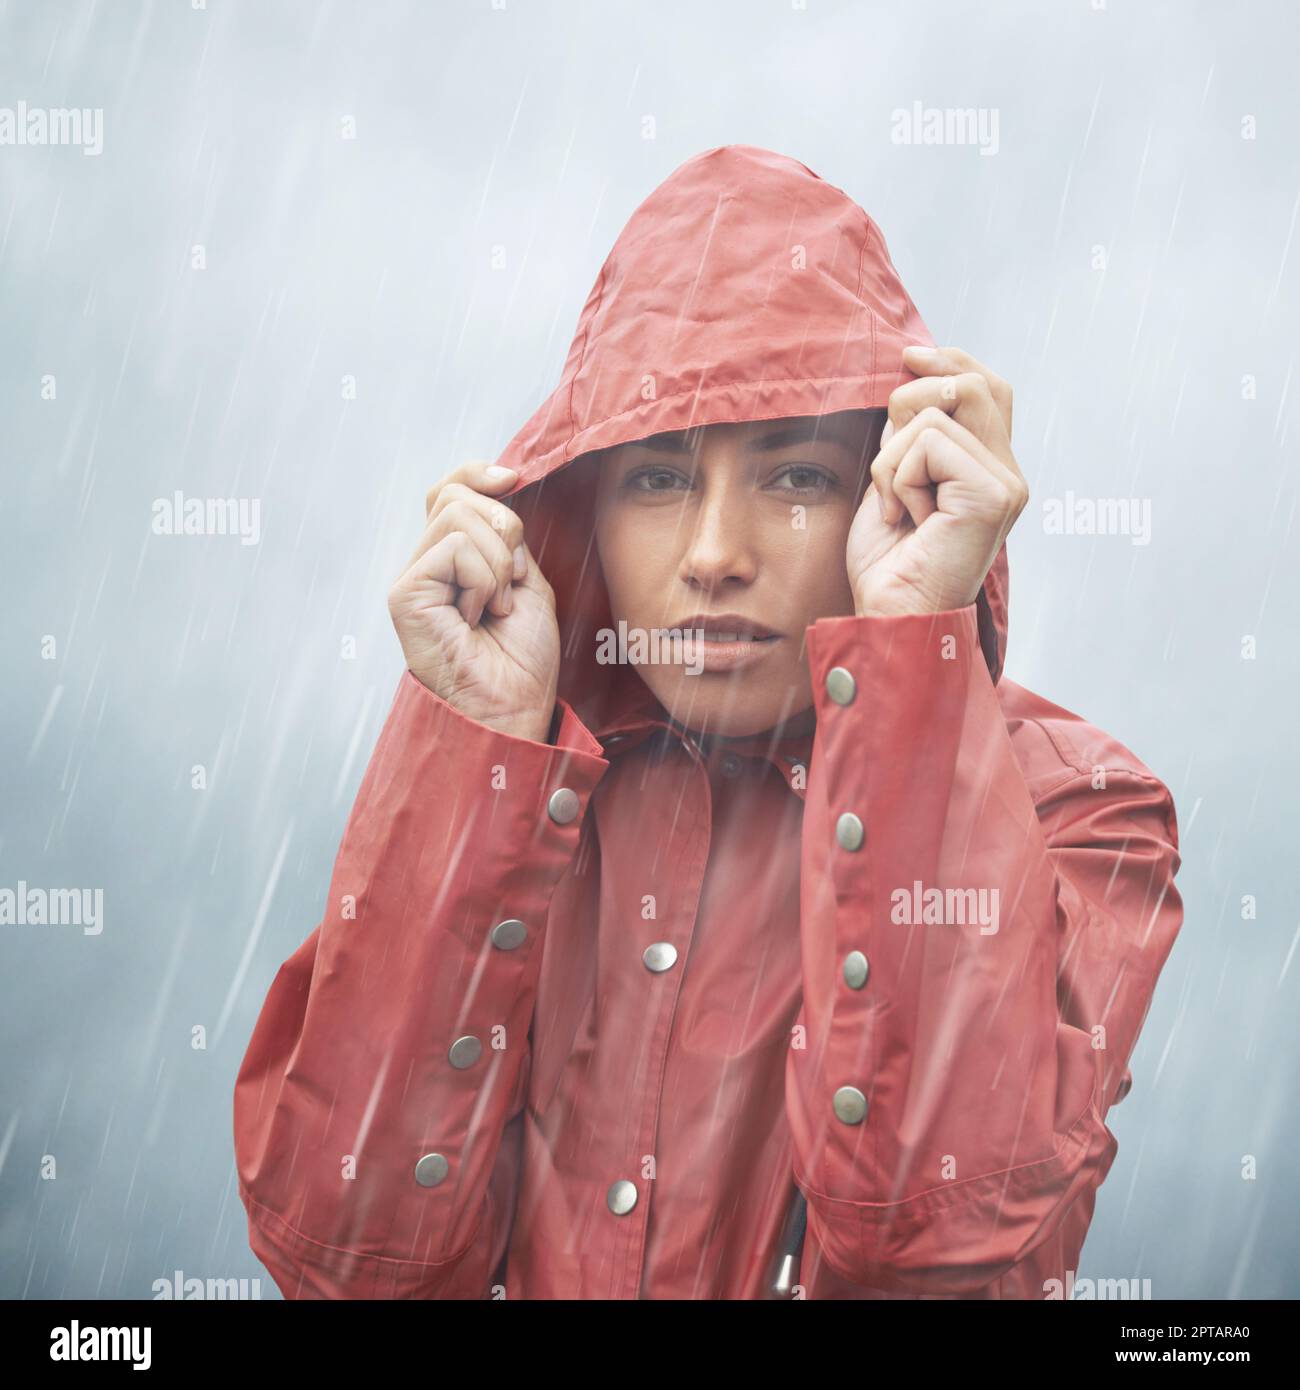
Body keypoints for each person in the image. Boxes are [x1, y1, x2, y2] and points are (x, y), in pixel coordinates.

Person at [232, 145, 1183, 1299]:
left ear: (894, 494)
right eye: (656, 481)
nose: (716, 556)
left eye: (793, 479)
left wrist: (910, 660)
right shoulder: (522, 791)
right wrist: (471, 747)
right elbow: (343, 1252)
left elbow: (936, 1234)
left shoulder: (1085, 809)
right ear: (573, 508)